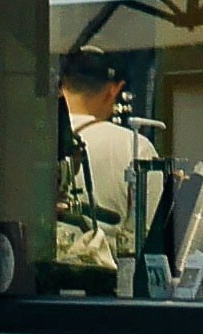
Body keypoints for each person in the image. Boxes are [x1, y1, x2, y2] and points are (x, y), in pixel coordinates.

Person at [47, 47, 159, 291]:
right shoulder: (135, 147)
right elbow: (149, 237)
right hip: (107, 293)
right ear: (113, 90)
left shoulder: (30, 137)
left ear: (62, 85)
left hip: (39, 288)